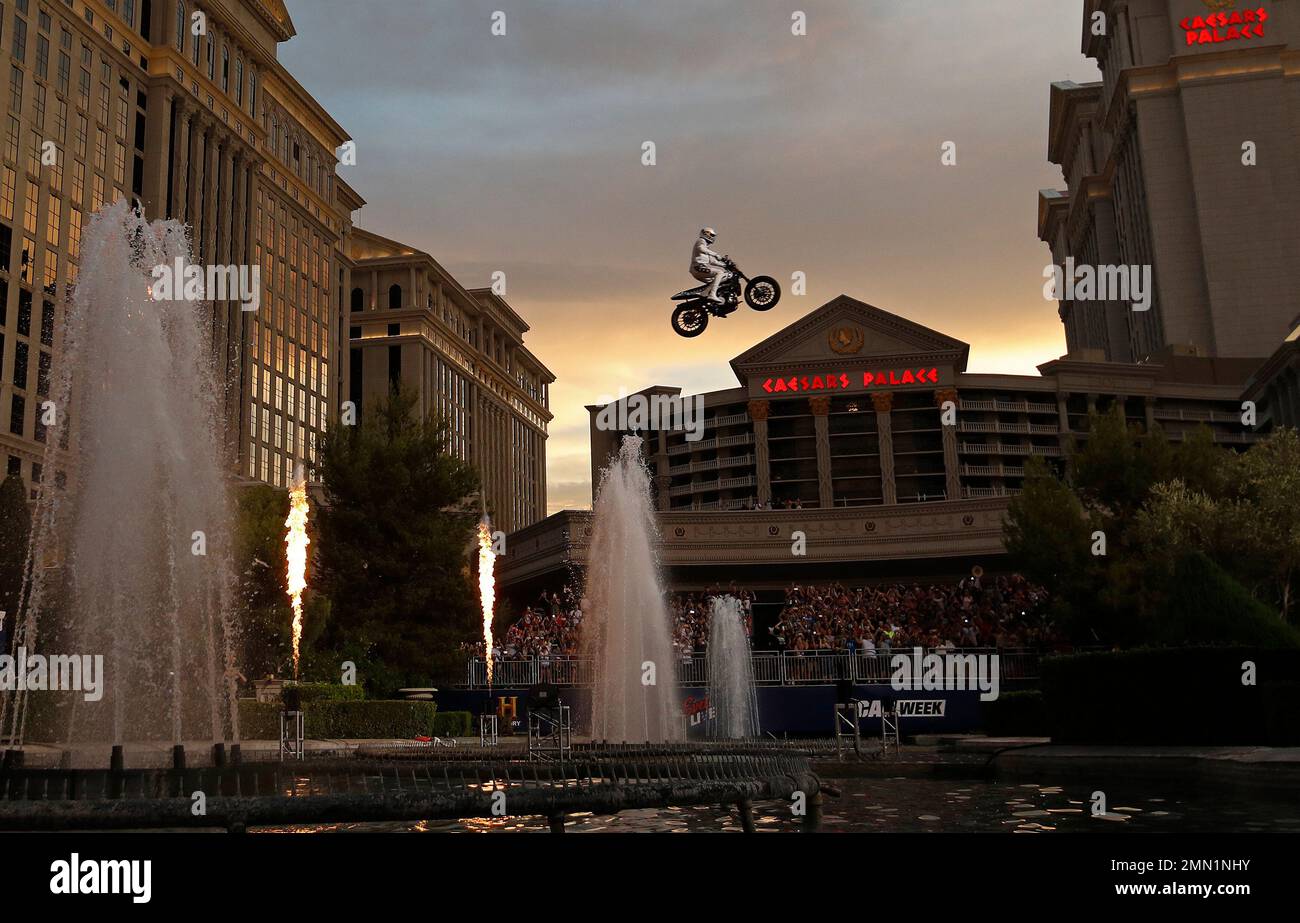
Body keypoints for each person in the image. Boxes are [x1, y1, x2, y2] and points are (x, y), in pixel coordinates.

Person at [689, 227, 730, 305]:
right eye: (711, 235)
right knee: (720, 273)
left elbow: (712, 261)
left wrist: (724, 265)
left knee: (716, 281)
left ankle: (705, 294)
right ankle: (711, 295)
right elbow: (701, 248)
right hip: (698, 268)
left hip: (700, 268)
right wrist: (716, 254)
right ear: (705, 233)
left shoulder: (706, 247)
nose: (713, 237)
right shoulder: (701, 241)